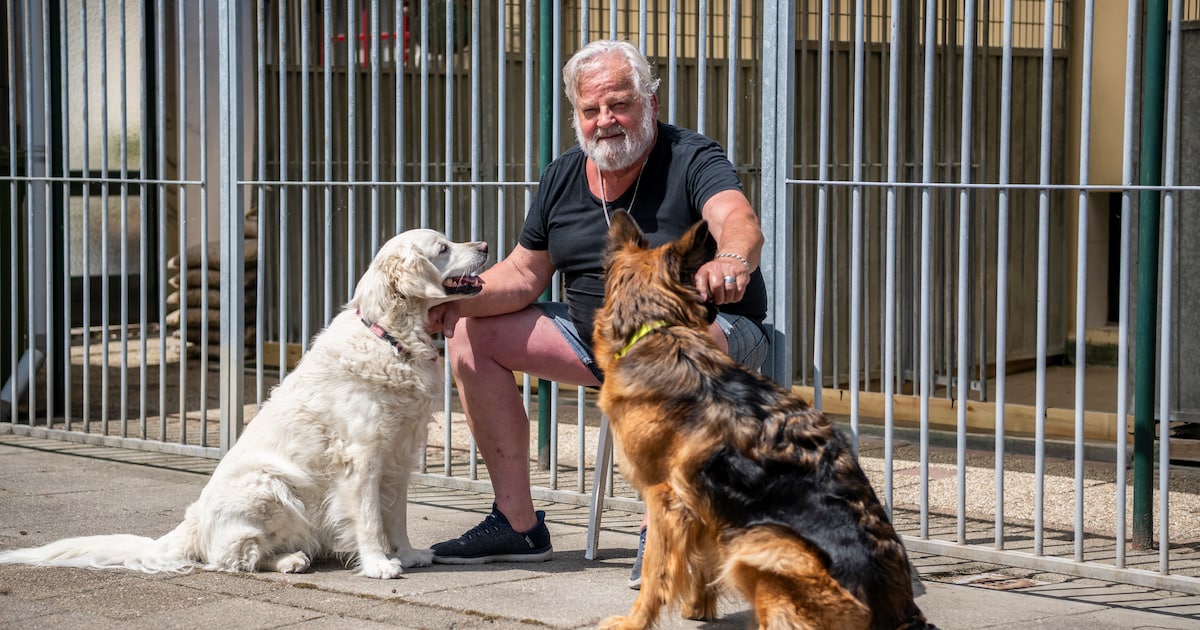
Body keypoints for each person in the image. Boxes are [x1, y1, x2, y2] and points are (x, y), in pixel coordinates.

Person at [425, 40, 770, 584]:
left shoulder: (691, 156)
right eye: (591, 110)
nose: (606, 120)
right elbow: (521, 276)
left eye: (620, 105)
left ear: (650, 104)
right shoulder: (563, 176)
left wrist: (729, 257)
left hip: (711, 330)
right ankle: (517, 525)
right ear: (577, 116)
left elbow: (738, 218)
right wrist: (448, 298)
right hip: (601, 339)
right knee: (471, 333)